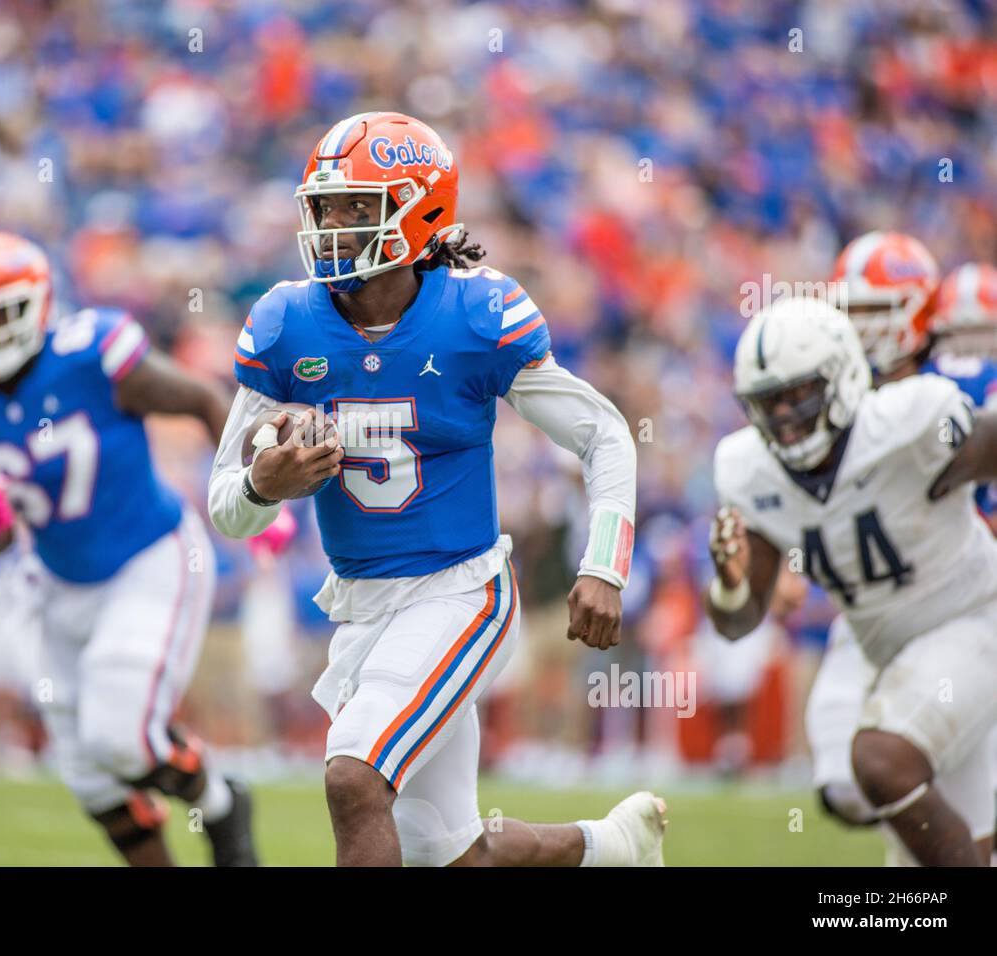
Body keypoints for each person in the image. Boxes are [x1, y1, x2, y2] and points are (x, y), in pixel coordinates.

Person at [209, 112, 666, 867]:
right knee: (448, 857)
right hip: (361, 605)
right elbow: (227, 508)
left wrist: (603, 564)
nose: (335, 225)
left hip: (460, 591)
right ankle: (610, 848)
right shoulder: (286, 321)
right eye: (328, 207)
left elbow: (604, 433)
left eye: (361, 206)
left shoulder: (473, 313)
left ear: (420, 209)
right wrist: (264, 483)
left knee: (354, 777)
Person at [0, 230, 252, 866]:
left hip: (147, 558)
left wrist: (245, 489)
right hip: (55, 584)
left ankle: (220, 800)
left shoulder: (90, 354)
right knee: (91, 777)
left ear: (36, 308)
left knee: (121, 737)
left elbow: (205, 400)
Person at [708, 295, 997, 866]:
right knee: (871, 801)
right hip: (882, 648)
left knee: (883, 761)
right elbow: (738, 622)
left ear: (840, 380)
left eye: (798, 394)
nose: (785, 417)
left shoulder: (909, 422)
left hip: (972, 617)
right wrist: (730, 583)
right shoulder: (749, 470)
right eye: (769, 403)